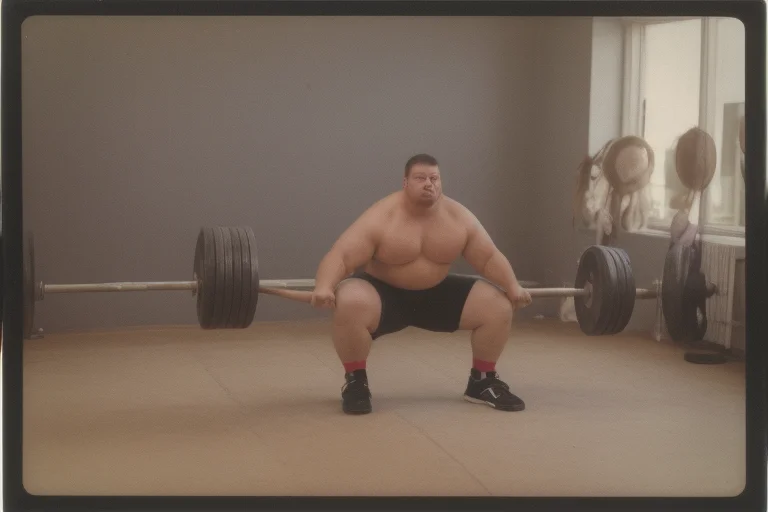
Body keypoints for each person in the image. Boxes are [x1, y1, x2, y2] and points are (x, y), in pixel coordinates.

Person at [310, 154, 532, 414]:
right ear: (405, 182)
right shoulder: (382, 216)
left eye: (434, 178)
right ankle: (356, 382)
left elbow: (488, 258)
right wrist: (324, 286)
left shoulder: (458, 217)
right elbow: (342, 256)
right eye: (420, 178)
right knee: (349, 299)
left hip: (434, 294)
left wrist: (513, 286)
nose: (429, 184)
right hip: (384, 295)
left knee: (497, 306)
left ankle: (482, 382)